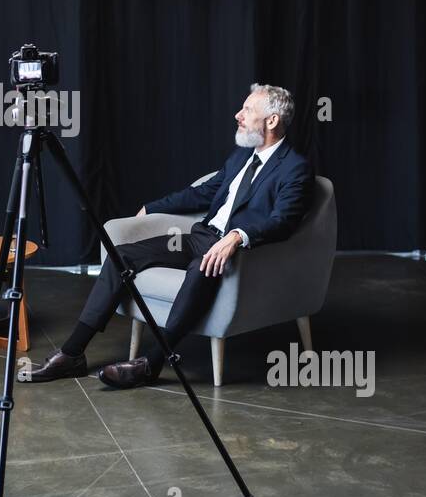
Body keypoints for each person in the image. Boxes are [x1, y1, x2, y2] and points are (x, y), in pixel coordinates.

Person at [24, 83, 315, 390]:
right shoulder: (241, 157)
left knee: (203, 266)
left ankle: (152, 362)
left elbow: (284, 221)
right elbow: (204, 192)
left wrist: (238, 236)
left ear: (271, 121)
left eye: (247, 110)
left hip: (234, 252)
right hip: (199, 237)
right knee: (120, 254)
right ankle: (72, 353)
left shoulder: (295, 169)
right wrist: (152, 207)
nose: (238, 115)